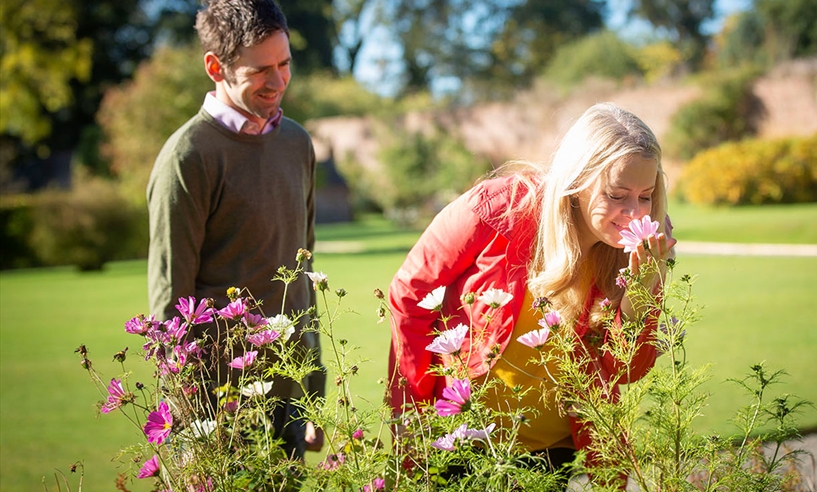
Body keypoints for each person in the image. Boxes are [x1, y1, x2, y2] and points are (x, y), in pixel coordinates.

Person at [386, 102, 676, 476]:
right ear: (577, 182)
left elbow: (626, 371)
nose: (635, 213)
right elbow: (409, 296)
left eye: (646, 195)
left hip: (550, 458)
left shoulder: (644, 250)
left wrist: (640, 293)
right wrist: (414, 422)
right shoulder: (496, 208)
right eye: (617, 195)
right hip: (462, 447)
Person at [146, 0, 324, 458]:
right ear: (215, 66)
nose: (278, 80)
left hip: (289, 391)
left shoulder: (297, 144)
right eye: (260, 69)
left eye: (284, 64)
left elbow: (303, 272)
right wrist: (192, 414)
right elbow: (171, 298)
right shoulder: (187, 157)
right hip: (220, 404)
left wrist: (314, 389)